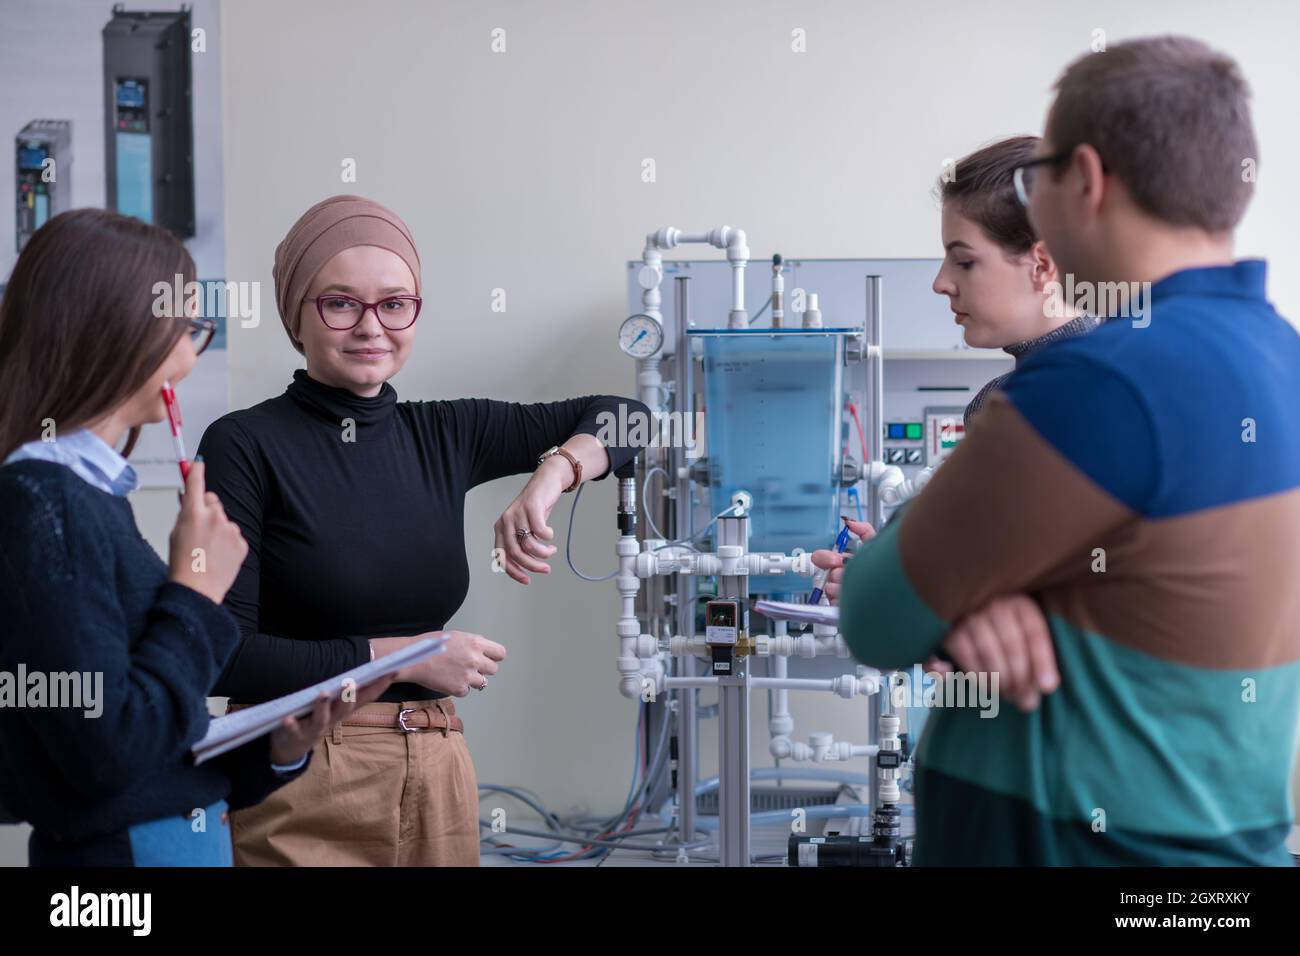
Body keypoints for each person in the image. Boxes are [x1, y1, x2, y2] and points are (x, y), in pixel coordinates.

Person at [822, 35, 1300, 865]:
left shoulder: (1104, 385)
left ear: (1087, 180)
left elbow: (873, 615)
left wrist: (960, 593)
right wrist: (981, 594)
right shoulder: (1279, 355)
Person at [197, 195, 650, 866]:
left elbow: (632, 421)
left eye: (395, 303)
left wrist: (551, 475)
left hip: (438, 767)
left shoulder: (445, 432)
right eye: (340, 303)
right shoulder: (243, 445)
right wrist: (403, 657)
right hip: (300, 776)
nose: (371, 327)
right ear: (296, 312)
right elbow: (222, 656)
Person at [0, 208, 389, 866]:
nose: (189, 354)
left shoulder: (85, 498)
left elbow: (152, 743)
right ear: (116, 328)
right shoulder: (45, 500)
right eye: (183, 327)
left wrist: (277, 749)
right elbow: (108, 752)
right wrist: (195, 592)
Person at [932, 135, 1098, 428]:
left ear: (1042, 265)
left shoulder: (1030, 406)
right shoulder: (1000, 400)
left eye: (965, 262)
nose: (941, 283)